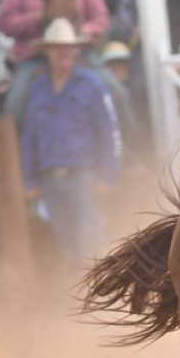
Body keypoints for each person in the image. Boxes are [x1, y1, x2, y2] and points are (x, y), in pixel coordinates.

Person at [20, 18, 122, 265]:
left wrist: (108, 176)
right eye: (56, 47)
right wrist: (30, 179)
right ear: (47, 51)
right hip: (51, 180)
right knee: (67, 245)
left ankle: (98, 298)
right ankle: (79, 300)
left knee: (92, 243)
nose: (61, 52)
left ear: (74, 50)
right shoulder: (37, 87)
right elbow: (29, 137)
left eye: (66, 47)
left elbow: (110, 133)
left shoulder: (92, 85)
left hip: (85, 176)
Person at [0, 0, 109, 125]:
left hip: (77, 52)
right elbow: (5, 22)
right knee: (14, 103)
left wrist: (78, 34)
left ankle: (137, 145)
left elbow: (100, 16)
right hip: (35, 57)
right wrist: (35, 18)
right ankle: (12, 154)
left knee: (115, 90)